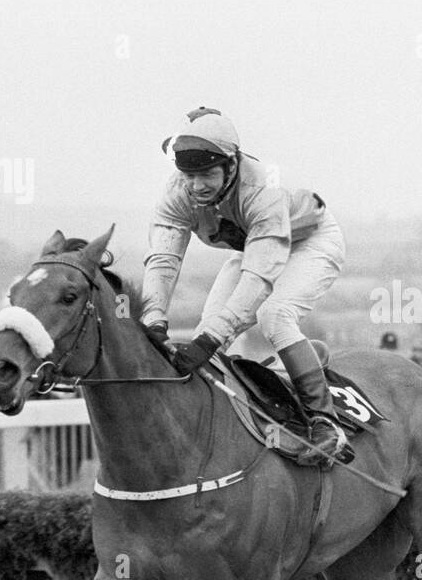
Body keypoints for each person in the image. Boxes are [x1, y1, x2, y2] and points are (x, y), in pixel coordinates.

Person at [140, 106, 351, 465]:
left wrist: (209, 340)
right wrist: (153, 322)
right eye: (189, 175)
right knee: (209, 328)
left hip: (309, 242)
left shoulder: (263, 190)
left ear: (232, 165)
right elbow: (163, 260)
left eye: (207, 174)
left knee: (274, 315)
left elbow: (258, 278)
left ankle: (325, 422)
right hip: (253, 248)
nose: (196, 186)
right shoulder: (177, 193)